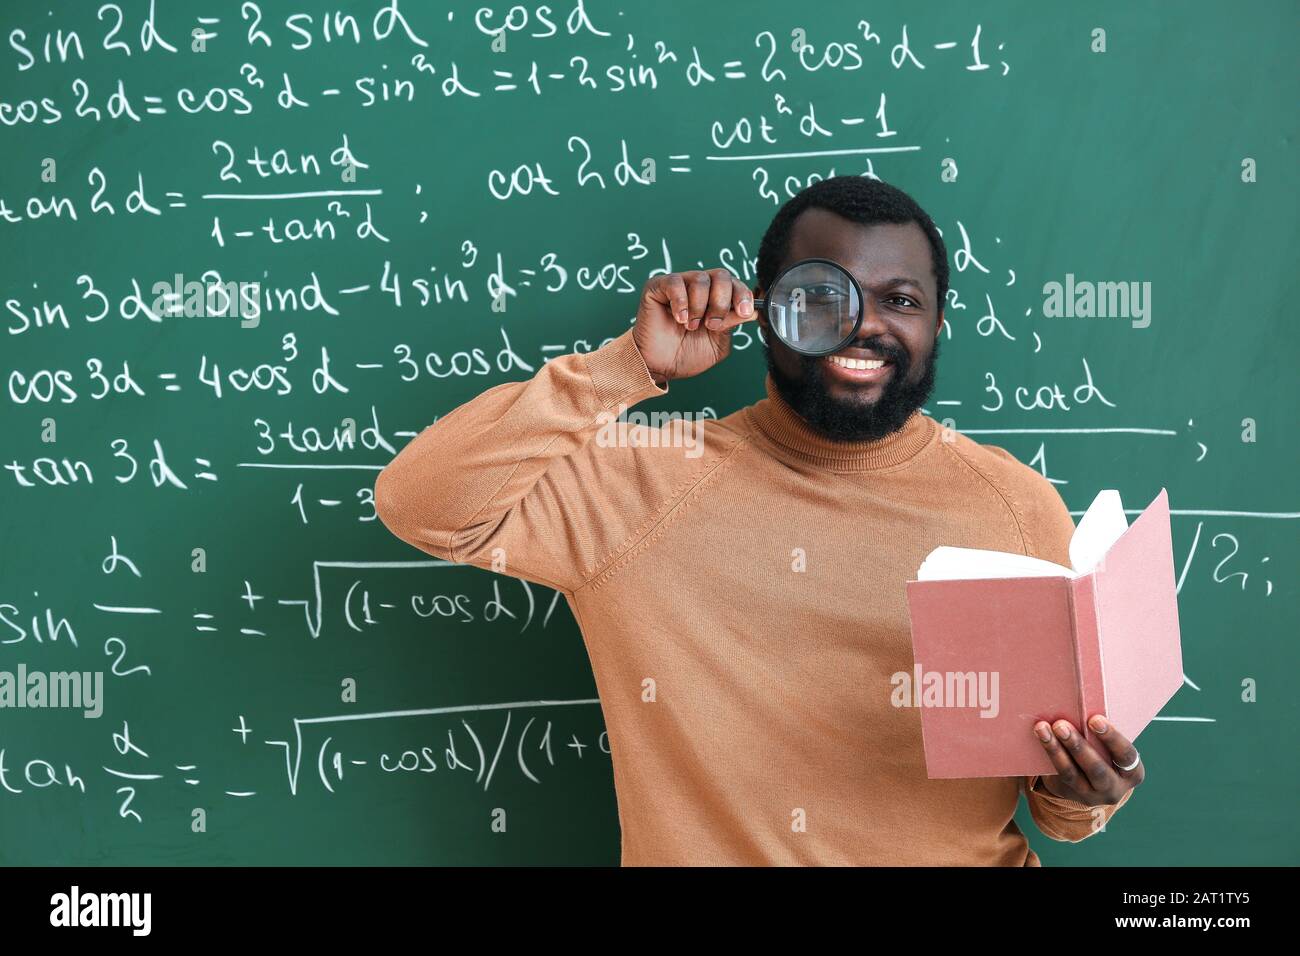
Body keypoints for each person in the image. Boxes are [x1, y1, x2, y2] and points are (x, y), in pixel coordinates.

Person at [373, 175, 1143, 865]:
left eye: (900, 300)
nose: (863, 326)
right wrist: (628, 366)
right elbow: (420, 503)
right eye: (821, 296)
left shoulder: (1014, 505)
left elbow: (1058, 814)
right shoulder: (642, 483)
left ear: (938, 323)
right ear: (765, 311)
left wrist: (1085, 791)